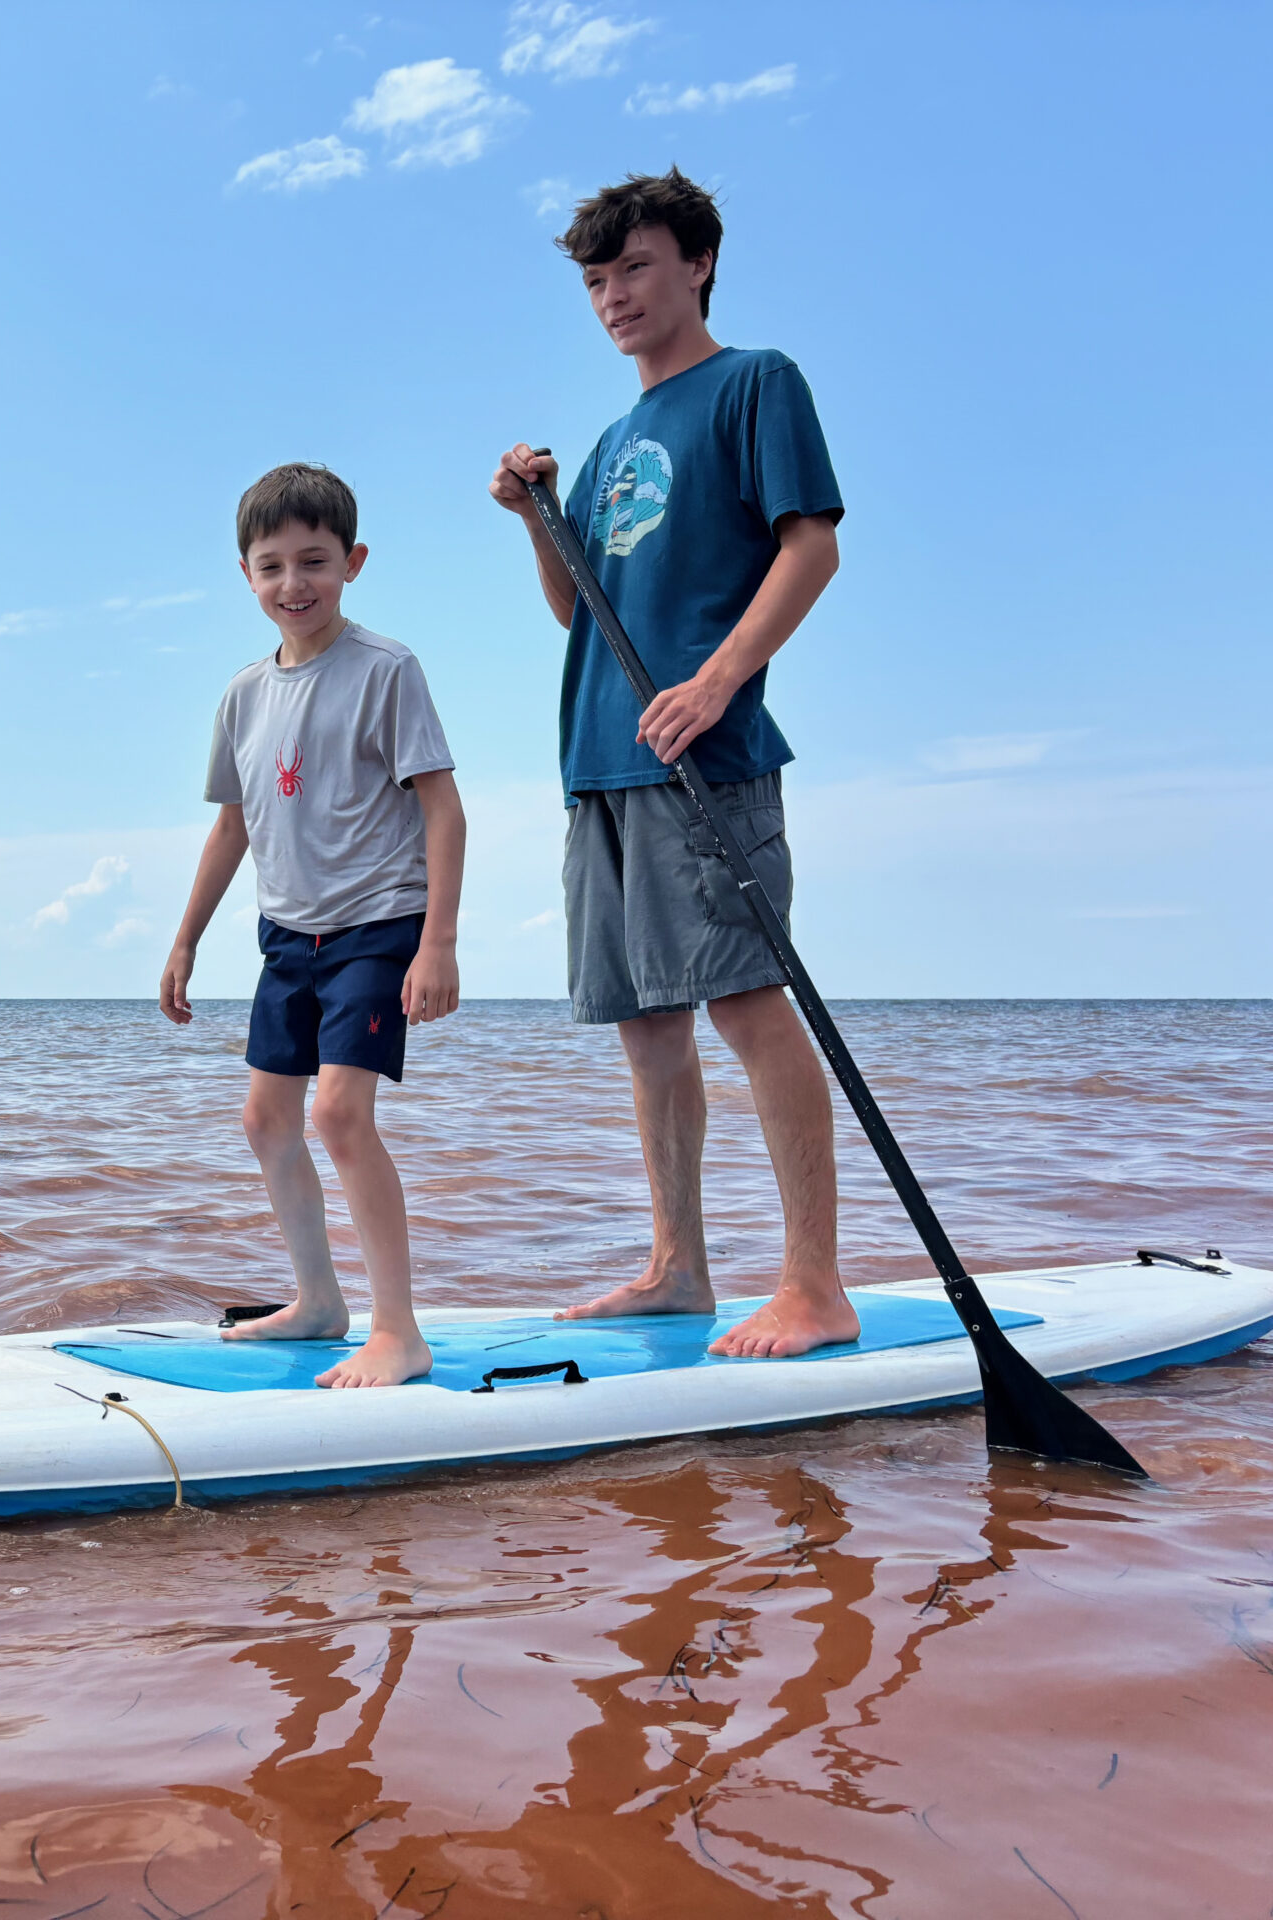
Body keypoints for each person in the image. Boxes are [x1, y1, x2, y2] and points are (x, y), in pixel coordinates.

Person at [488, 168, 856, 1358]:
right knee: (646, 1024)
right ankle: (676, 1268)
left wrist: (718, 679)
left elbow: (811, 549)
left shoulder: (754, 383)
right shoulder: (607, 444)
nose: (613, 297)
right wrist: (538, 523)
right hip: (599, 757)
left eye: (634, 269)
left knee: (748, 1004)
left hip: (707, 749)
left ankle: (814, 1284)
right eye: (596, 282)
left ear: (695, 262)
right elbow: (576, 612)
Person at [159, 463, 468, 1388]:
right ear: (246, 576)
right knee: (266, 1118)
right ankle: (319, 1301)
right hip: (287, 936)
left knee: (339, 1113)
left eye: (315, 562)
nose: (294, 585)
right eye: (272, 566)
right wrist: (186, 939)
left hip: (378, 923)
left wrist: (438, 941)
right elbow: (233, 823)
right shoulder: (244, 695)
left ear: (352, 562)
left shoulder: (386, 669)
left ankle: (399, 1331)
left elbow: (444, 809)